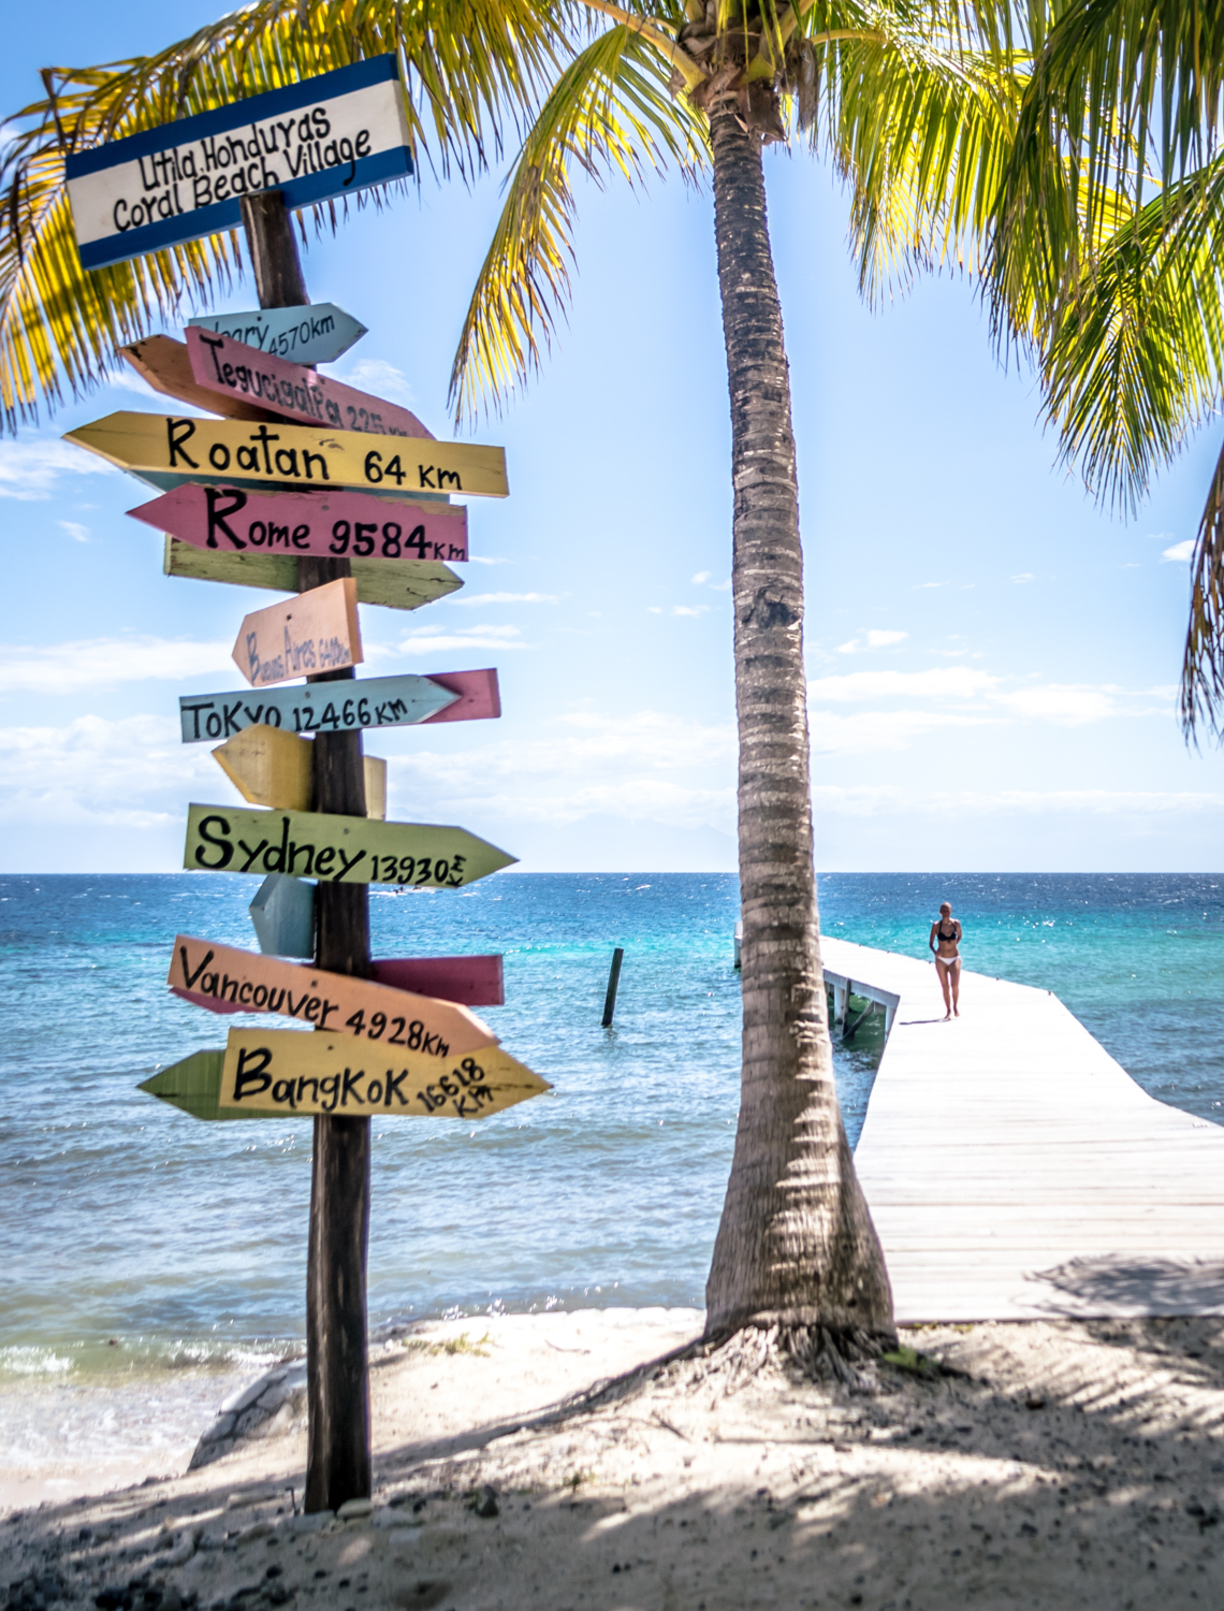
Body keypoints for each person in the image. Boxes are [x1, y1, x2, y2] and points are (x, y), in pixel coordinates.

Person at [929, 901, 962, 1019]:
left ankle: (955, 1007)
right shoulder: (936, 926)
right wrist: (935, 952)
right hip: (941, 960)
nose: (946, 912)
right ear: (940, 912)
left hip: (954, 958)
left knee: (954, 985)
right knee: (945, 986)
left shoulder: (956, 924)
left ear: (951, 911)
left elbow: (960, 936)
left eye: (947, 910)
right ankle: (948, 1010)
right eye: (944, 910)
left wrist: (953, 945)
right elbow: (931, 943)